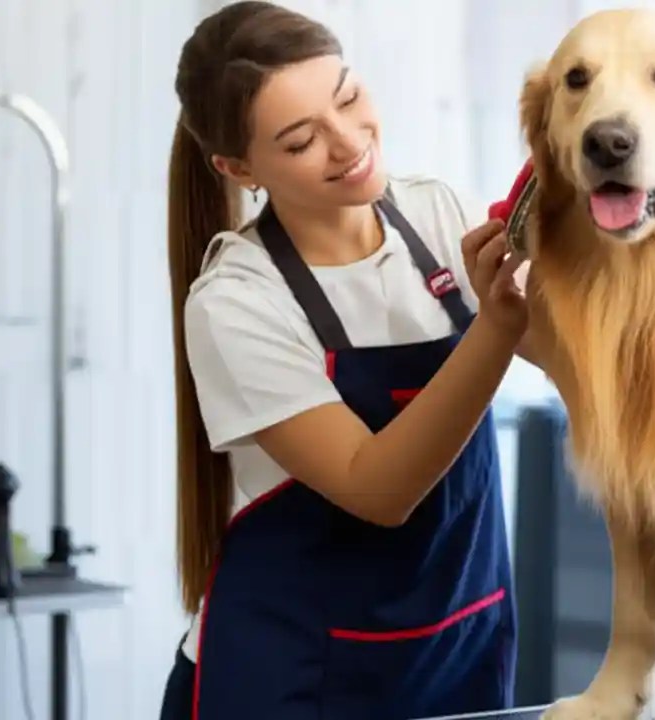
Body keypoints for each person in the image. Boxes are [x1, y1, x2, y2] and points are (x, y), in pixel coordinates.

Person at [159, 2, 541, 718]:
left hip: (459, 652)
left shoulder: (437, 216)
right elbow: (379, 489)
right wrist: (495, 328)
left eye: (348, 97)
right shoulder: (237, 301)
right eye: (302, 140)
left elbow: (566, 354)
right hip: (294, 677)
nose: (348, 142)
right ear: (239, 167)